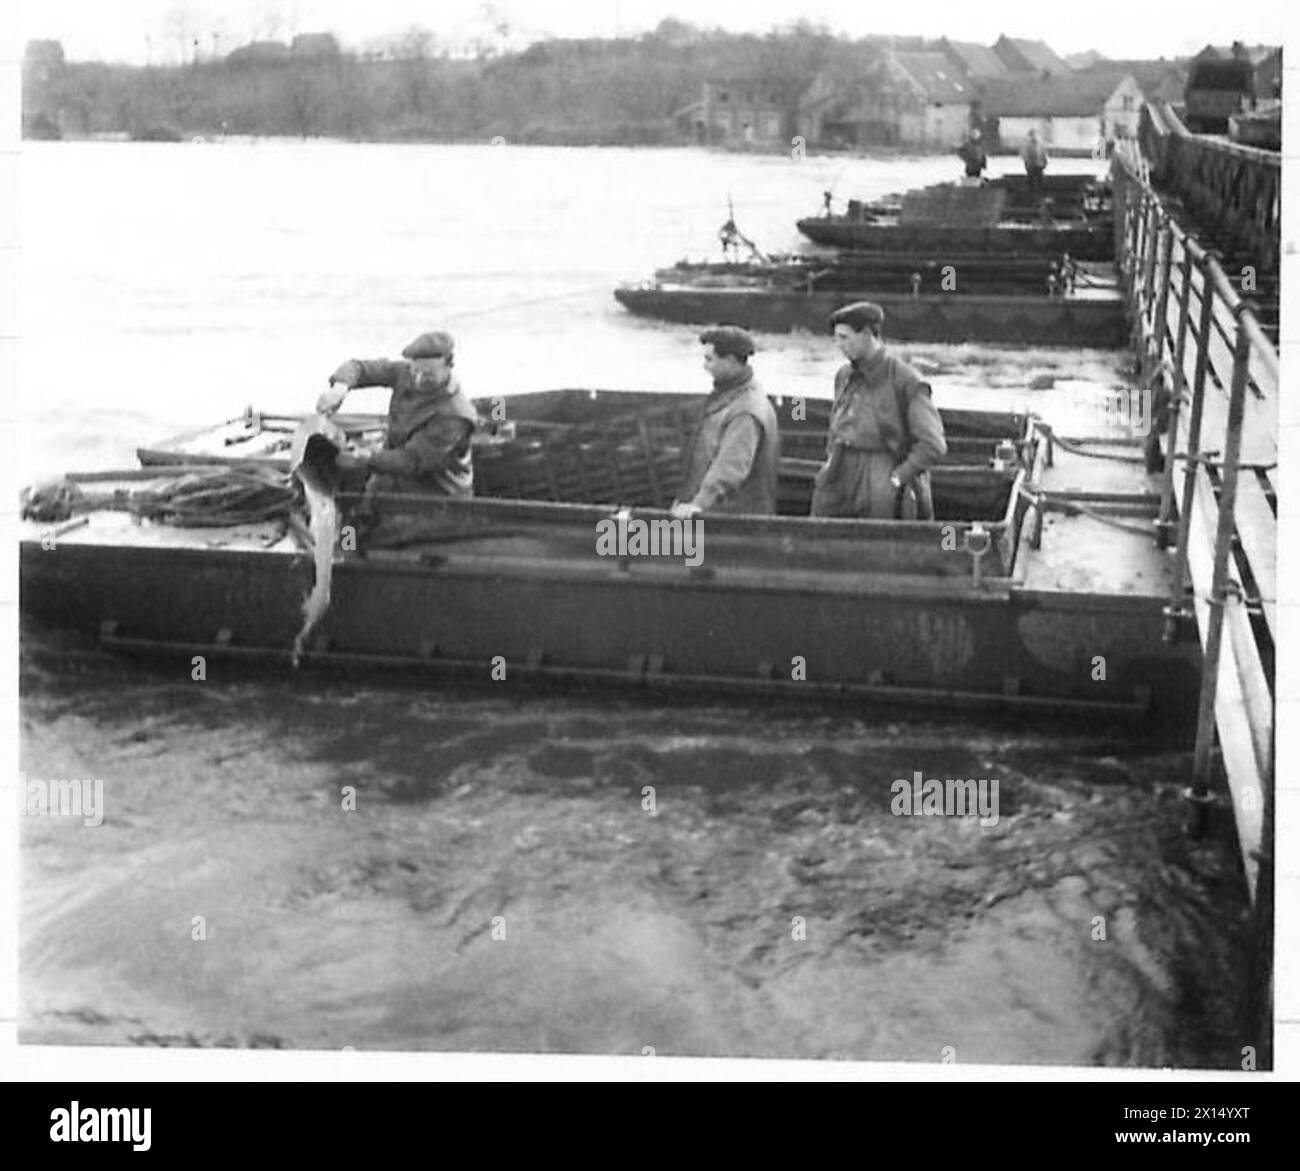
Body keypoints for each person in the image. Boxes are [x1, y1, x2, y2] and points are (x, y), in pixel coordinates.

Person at [811, 302, 947, 521]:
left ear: (867, 334)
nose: (838, 345)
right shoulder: (844, 376)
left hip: (881, 473)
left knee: (878, 541)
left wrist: (899, 477)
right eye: (836, 338)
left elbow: (933, 445)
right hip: (839, 469)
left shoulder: (906, 380)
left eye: (844, 338)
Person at [316, 330, 478, 498]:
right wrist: (340, 388)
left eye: (428, 375)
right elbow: (359, 368)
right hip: (391, 475)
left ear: (449, 365)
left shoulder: (455, 415)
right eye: (415, 371)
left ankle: (354, 521)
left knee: (357, 515)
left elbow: (411, 461)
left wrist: (367, 457)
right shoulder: (405, 372)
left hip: (435, 494)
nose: (418, 380)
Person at [670, 326, 780, 518]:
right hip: (717, 509)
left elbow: (730, 469)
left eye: (709, 359)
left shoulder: (746, 411)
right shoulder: (732, 394)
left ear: (730, 361)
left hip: (733, 518)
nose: (704, 366)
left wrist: (698, 504)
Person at [1021, 128, 1048, 201]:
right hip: (1033, 165)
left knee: (1038, 179)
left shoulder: (1039, 144)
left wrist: (1044, 162)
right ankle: (1033, 193)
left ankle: (1037, 192)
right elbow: (1025, 155)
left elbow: (1043, 153)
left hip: (1037, 165)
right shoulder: (1028, 145)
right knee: (1032, 179)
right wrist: (1027, 162)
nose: (1033, 137)